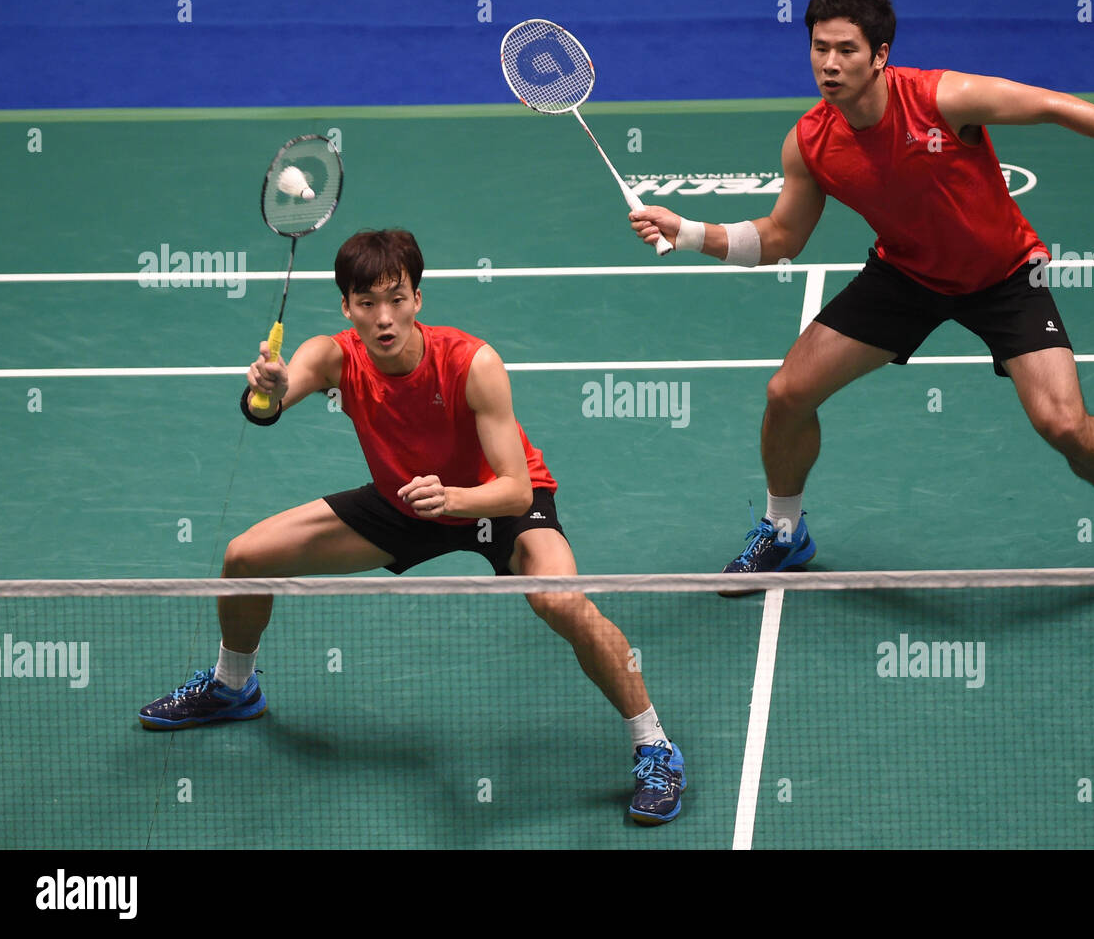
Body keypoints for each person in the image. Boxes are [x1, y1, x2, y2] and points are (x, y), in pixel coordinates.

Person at [630, 0, 1094, 608]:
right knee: (787, 394)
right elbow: (781, 237)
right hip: (906, 277)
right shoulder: (809, 142)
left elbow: (1051, 105)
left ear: (879, 54)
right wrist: (688, 232)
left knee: (1064, 424)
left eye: (846, 51)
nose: (829, 64)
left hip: (1004, 276)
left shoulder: (943, 97)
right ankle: (784, 530)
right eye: (819, 49)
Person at [138, 229, 684, 825]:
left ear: (418, 298)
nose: (384, 317)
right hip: (405, 502)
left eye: (396, 299)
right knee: (245, 557)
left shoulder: (472, 362)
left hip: (490, 503)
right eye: (367, 303)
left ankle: (654, 745)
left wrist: (454, 499)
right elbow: (265, 407)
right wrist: (264, 391)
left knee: (566, 603)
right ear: (347, 307)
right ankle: (232, 686)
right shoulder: (333, 355)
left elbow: (517, 488)